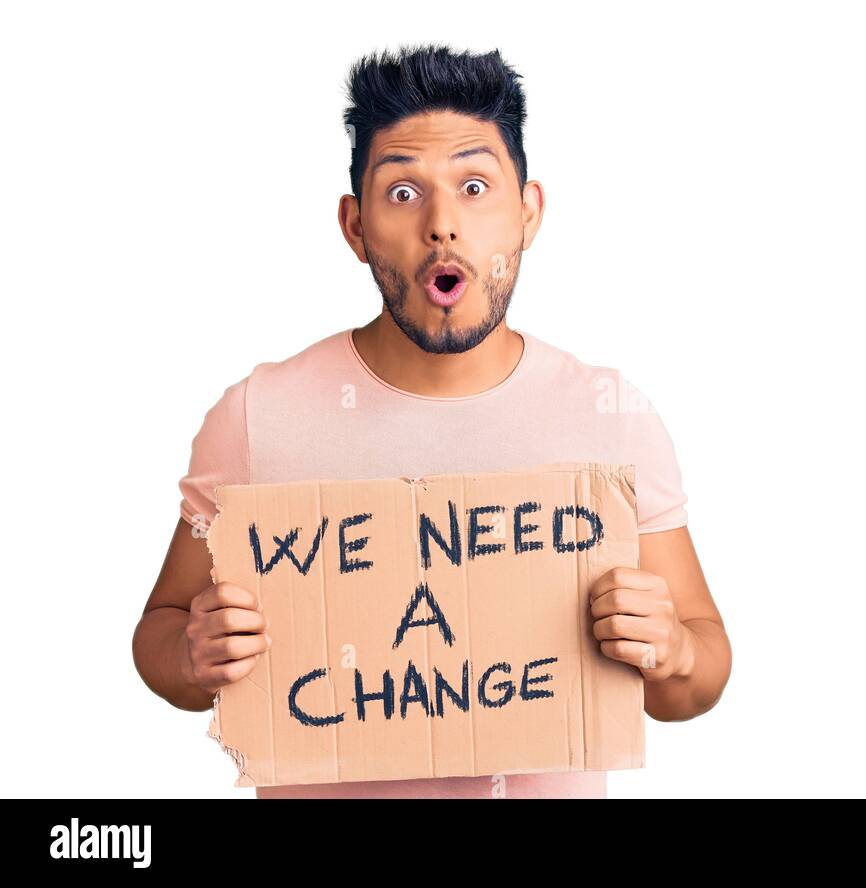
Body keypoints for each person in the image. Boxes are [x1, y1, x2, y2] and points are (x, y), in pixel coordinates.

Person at [131, 44, 731, 799]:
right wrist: (191, 656)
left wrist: (671, 649)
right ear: (355, 227)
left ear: (528, 212)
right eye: (404, 194)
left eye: (475, 187)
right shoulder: (257, 418)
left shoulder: (609, 417)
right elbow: (161, 631)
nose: (442, 226)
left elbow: (696, 680)